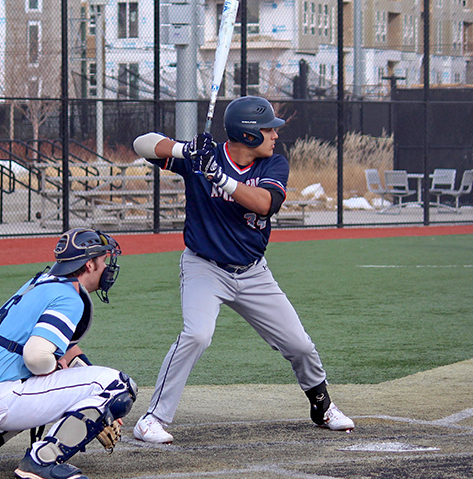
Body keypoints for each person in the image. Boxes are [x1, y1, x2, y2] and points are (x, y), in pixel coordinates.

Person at [130, 95, 354, 444]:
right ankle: (152, 419)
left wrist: (221, 178)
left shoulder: (273, 164)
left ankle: (322, 405)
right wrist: (185, 151)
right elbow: (141, 144)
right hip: (205, 267)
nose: (275, 135)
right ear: (248, 134)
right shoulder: (203, 157)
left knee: (299, 344)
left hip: (253, 273)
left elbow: (265, 204)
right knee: (197, 335)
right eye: (268, 129)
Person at [0, 228, 137, 479]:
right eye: (103, 260)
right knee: (120, 386)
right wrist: (103, 399)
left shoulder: (42, 281)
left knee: (65, 380)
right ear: (89, 264)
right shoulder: (70, 298)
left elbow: (66, 351)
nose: (106, 267)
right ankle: (43, 460)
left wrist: (97, 405)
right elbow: (37, 357)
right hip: (2, 398)